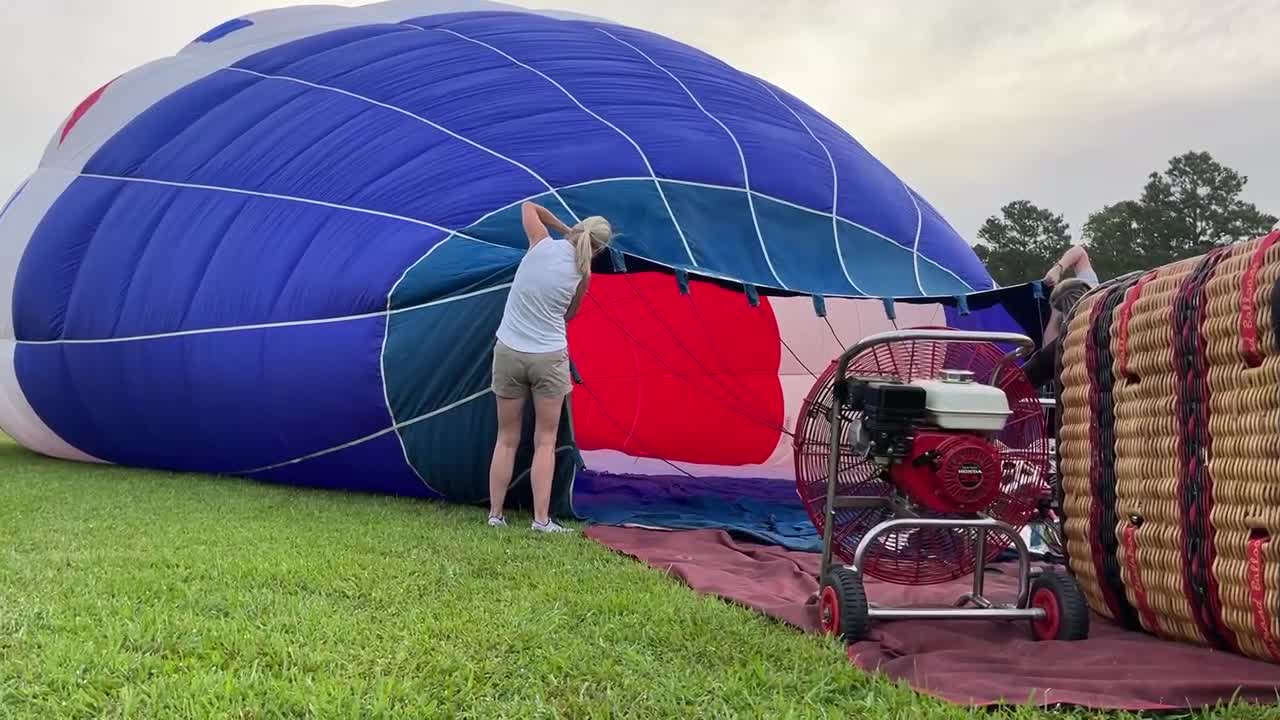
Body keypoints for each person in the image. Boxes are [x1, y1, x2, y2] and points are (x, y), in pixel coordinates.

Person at [487, 202, 613, 533]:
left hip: (509, 351)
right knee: (545, 440)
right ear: (599, 249)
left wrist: (564, 228)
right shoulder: (582, 275)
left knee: (506, 438)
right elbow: (569, 315)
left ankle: (495, 515)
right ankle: (541, 520)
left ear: (578, 229)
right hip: (548, 357)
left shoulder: (541, 243)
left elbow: (530, 207)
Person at [1022, 245, 1099, 388]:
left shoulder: (1063, 340)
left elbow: (1045, 357)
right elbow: (1080, 253)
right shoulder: (1094, 289)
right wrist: (1058, 268)